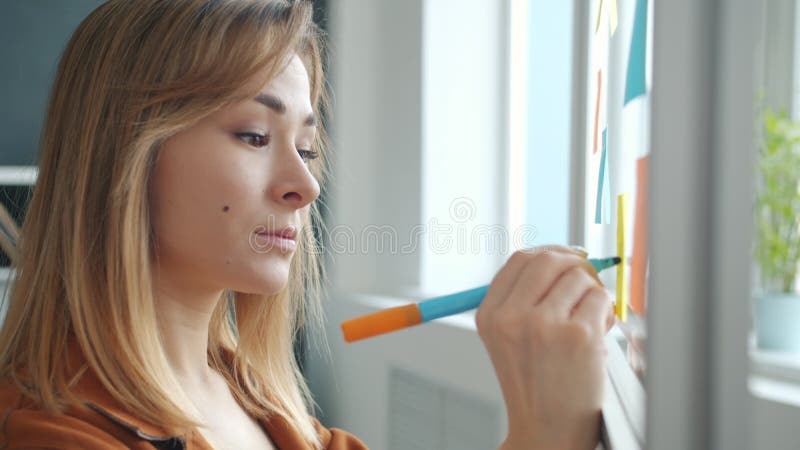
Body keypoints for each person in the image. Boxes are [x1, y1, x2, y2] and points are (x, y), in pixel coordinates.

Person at [0, 1, 612, 449]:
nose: (306, 186)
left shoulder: (263, 404)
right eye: (254, 135)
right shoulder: (46, 432)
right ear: (122, 154)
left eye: (309, 148)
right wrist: (545, 433)